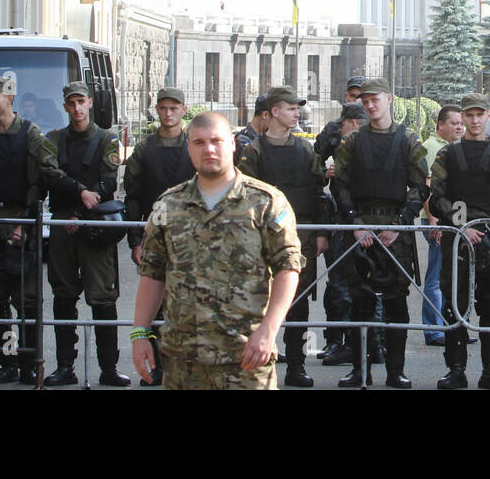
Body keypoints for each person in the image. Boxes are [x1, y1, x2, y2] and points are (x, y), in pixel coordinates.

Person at [132, 111, 302, 389]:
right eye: (198, 143)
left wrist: (268, 331)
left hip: (246, 359)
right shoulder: (168, 205)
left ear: (232, 144)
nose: (208, 149)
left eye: (216, 141)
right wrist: (140, 334)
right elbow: (152, 272)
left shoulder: (266, 202)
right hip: (182, 361)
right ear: (189, 148)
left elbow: (289, 268)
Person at [331, 78, 429, 388]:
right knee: (359, 301)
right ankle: (361, 371)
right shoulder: (353, 141)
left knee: (396, 301)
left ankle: (395, 372)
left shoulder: (409, 140)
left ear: (389, 98)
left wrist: (400, 223)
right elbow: (340, 184)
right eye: (366, 101)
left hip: (395, 228)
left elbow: (420, 186)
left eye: (376, 99)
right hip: (360, 226)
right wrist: (354, 223)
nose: (371, 105)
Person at [0, 74, 59, 385]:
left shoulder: (31, 134)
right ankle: (8, 361)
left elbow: (41, 180)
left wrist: (23, 223)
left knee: (27, 300)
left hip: (22, 221)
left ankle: (30, 361)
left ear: (9, 98)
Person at [238, 86, 328, 387]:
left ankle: (297, 365)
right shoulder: (255, 150)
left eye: (297, 108)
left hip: (299, 234)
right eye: (291, 108)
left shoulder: (305, 149)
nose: (296, 113)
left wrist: (318, 233)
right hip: (262, 236)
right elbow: (244, 196)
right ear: (274, 111)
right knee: (259, 301)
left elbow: (317, 194)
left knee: (299, 302)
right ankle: (260, 361)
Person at [428, 92, 490, 390]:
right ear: (463, 117)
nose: (475, 119)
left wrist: (489, 228)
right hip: (457, 239)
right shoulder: (447, 155)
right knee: (454, 307)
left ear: (488, 115)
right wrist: (463, 226)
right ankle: (456, 370)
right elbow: (437, 196)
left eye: (480, 114)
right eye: (469, 115)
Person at [43, 82, 128, 387]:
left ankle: (109, 368)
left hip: (96, 229)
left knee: (103, 298)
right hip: (63, 227)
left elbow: (108, 182)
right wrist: (79, 193)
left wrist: (80, 212)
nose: (77, 108)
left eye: (81, 102)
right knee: (63, 296)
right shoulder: (53, 139)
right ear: (65, 106)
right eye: (71, 103)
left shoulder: (107, 138)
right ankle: (65, 366)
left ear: (90, 103)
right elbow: (50, 177)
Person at [122, 86, 194, 386]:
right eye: (163, 108)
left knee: (188, 301)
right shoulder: (145, 148)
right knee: (155, 304)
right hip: (154, 232)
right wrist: (135, 240)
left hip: (191, 234)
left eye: (174, 108)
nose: (168, 113)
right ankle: (156, 366)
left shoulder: (194, 145)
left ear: (183, 110)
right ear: (157, 110)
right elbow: (133, 196)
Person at [318, 102, 367, 366]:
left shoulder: (374, 136)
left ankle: (371, 344)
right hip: (340, 215)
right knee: (339, 282)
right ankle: (337, 340)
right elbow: (315, 168)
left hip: (366, 217)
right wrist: (324, 173)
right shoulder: (332, 133)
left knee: (368, 282)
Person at [419, 105, 463, 346]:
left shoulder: (454, 148)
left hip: (452, 218)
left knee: (450, 274)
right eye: (454, 123)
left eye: (461, 123)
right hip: (436, 220)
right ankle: (433, 329)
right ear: (441, 125)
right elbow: (427, 186)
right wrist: (433, 219)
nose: (459, 127)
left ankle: (449, 325)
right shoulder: (431, 147)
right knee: (436, 275)